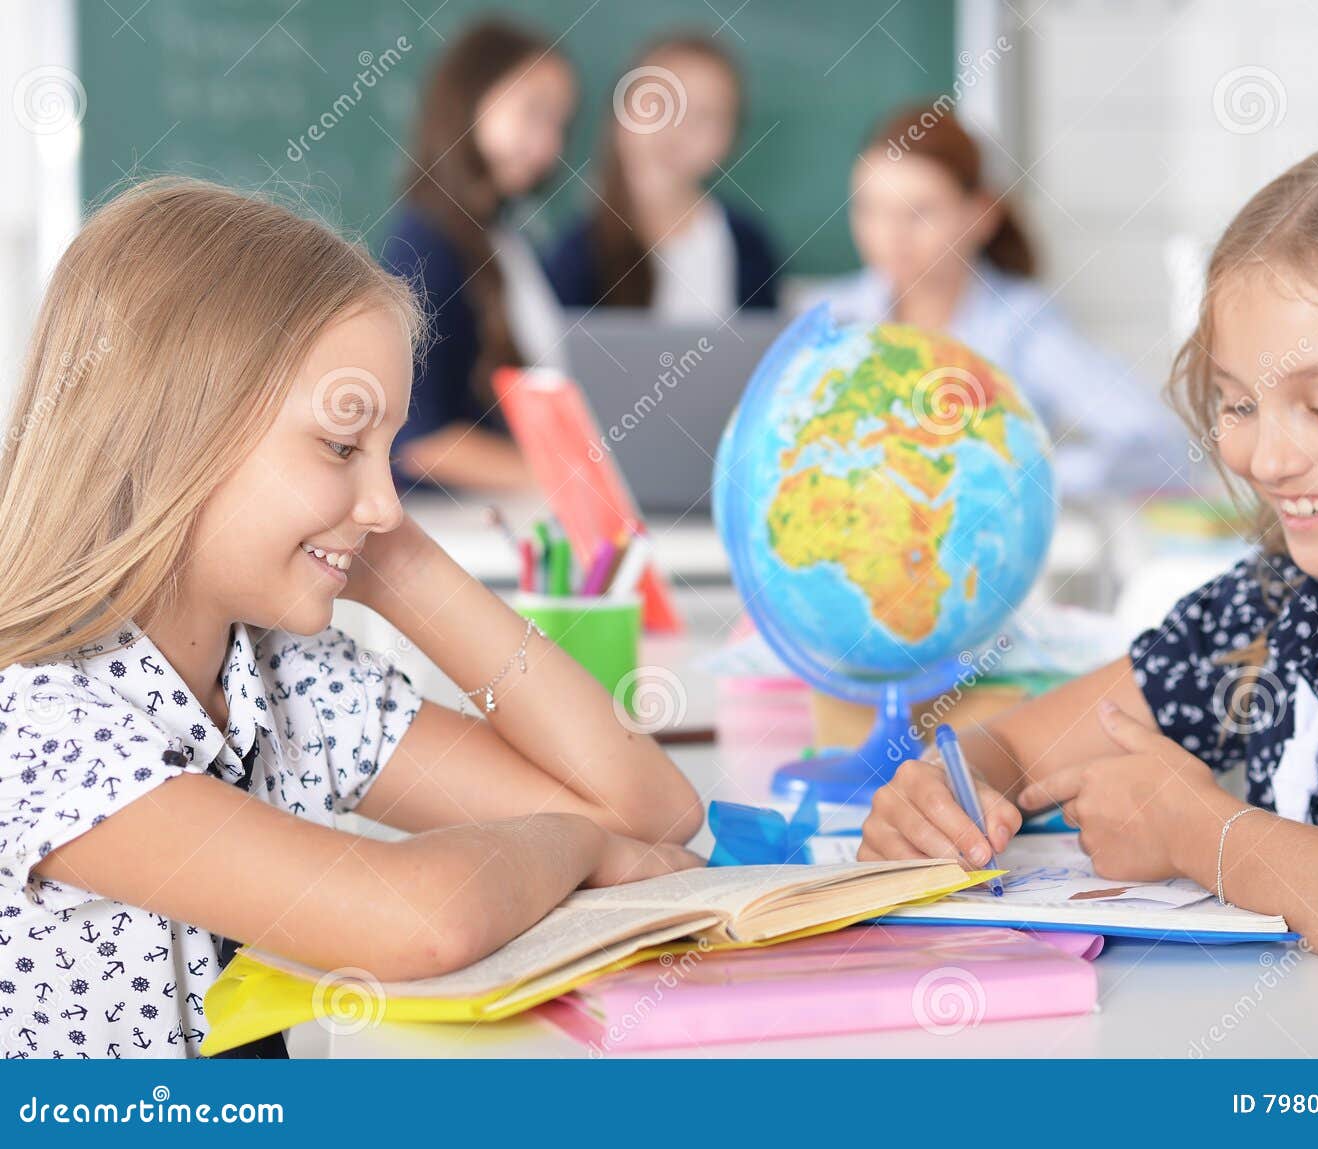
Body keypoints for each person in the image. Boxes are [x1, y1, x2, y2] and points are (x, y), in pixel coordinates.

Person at [858, 140, 1318, 1059]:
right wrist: (947, 789)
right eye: (1238, 403)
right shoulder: (1269, 604)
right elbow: (1014, 743)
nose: (1269, 459)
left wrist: (1204, 834)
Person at [0, 179, 703, 1059]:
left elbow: (647, 812)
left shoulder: (290, 674)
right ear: (176, 431)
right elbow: (412, 920)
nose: (384, 501)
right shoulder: (36, 720)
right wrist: (578, 845)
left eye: (387, 451)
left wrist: (402, 567)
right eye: (341, 444)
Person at [812, 105, 1188, 498]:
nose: (890, 236)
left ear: (980, 216)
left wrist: (1024, 473)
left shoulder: (1022, 325)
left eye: (919, 213)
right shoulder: (830, 319)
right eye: (870, 210)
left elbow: (1161, 444)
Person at [382, 18, 577, 493]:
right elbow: (419, 439)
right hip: (454, 532)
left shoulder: (504, 241)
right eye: (534, 112)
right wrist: (571, 483)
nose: (549, 144)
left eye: (559, 124)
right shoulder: (424, 245)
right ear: (469, 102)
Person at [544, 33, 780, 320]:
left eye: (704, 116)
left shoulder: (749, 248)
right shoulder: (575, 255)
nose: (676, 129)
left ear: (731, 139)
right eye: (658, 103)